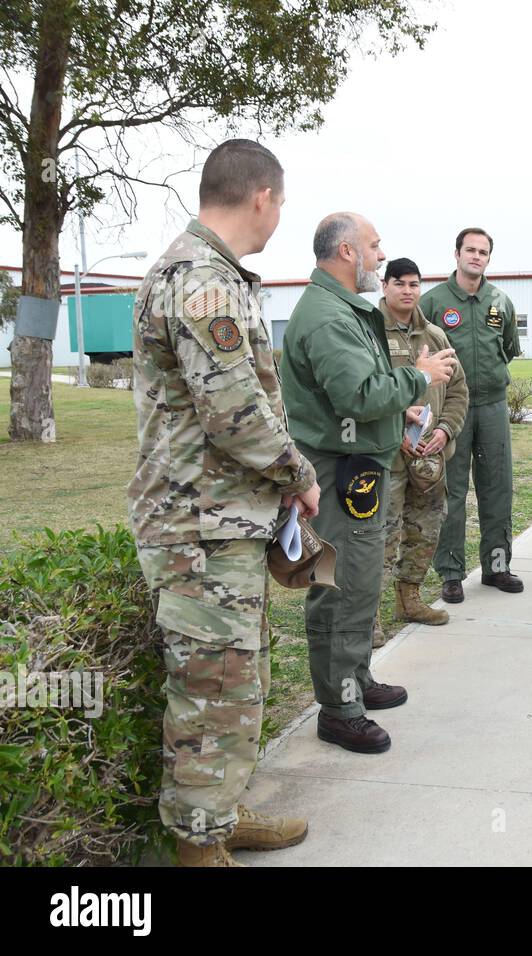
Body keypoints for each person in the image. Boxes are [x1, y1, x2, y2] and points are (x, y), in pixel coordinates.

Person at [129, 139, 320, 866]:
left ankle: (219, 813)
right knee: (212, 690)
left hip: (218, 520)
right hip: (196, 525)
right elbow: (233, 408)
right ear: (262, 199)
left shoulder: (202, 272)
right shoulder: (202, 281)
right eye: (282, 202)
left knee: (236, 679)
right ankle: (198, 851)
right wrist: (299, 473)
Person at [279, 213, 456, 755]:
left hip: (357, 465)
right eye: (375, 247)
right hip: (336, 472)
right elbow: (358, 395)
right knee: (339, 588)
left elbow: (361, 393)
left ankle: (357, 678)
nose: (381, 256)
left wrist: (396, 414)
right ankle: (339, 709)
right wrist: (421, 376)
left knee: (359, 581)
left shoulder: (341, 307)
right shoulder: (328, 316)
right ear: (349, 253)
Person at [419, 228, 524, 603]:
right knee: (453, 490)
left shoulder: (500, 301)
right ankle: (451, 573)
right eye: (470, 250)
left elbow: (508, 348)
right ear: (457, 254)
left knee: (497, 489)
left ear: (488, 258)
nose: (476, 257)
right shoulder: (432, 302)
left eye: (483, 252)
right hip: (452, 408)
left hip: (494, 405)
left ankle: (497, 566)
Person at [375, 257, 469, 644]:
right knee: (382, 536)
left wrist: (446, 431)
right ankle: (369, 617)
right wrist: (394, 424)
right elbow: (363, 391)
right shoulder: (370, 333)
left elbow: (459, 390)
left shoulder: (435, 336)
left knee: (425, 529)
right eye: (399, 283)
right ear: (385, 286)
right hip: (387, 458)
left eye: (414, 284)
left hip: (430, 458)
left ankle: (409, 598)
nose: (408, 291)